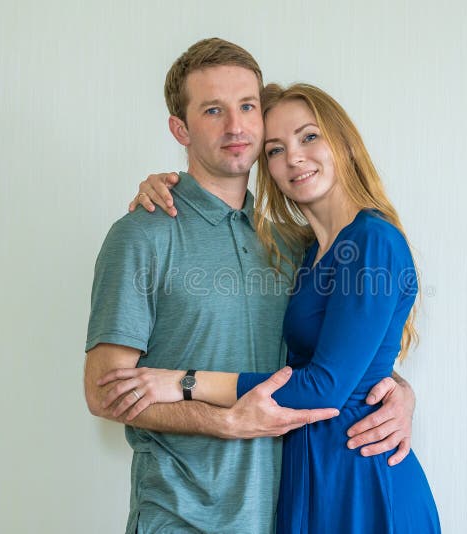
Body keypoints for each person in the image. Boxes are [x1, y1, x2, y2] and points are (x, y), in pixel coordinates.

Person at [84, 38, 418, 534]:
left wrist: (398, 393)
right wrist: (225, 422)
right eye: (213, 110)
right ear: (181, 128)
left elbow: (335, 358)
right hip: (181, 518)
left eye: (247, 107)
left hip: (288, 511)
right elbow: (103, 393)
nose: (236, 126)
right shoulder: (143, 233)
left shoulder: (293, 246)